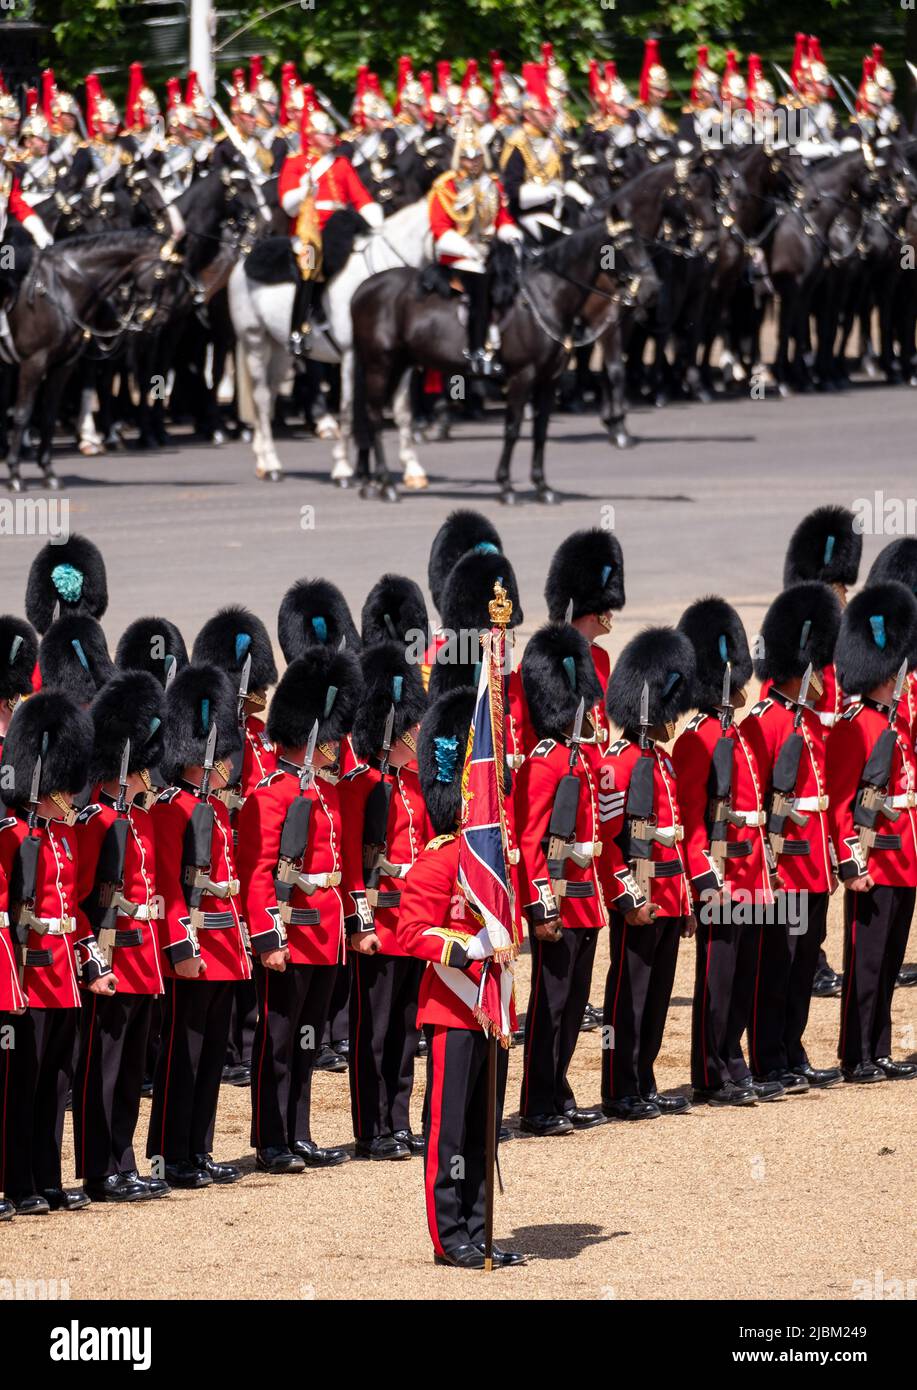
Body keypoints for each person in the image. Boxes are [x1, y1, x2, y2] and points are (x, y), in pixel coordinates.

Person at [396, 686, 525, 1269]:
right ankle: (450, 1237)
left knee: (482, 1129)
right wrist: (467, 947)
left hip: (490, 1005)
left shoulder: (493, 859)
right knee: (448, 1134)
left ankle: (478, 1228)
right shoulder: (438, 859)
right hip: (452, 1008)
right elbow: (410, 934)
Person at [516, 620, 650, 1135]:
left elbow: (602, 845)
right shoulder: (544, 765)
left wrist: (622, 893)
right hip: (559, 906)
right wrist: (543, 907)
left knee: (573, 1007)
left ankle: (560, 1089)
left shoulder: (583, 761)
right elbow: (530, 845)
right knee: (549, 1007)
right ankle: (536, 1103)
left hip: (588, 903)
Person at [236, 646, 363, 1172]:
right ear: (311, 736)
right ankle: (271, 1139)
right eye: (330, 737)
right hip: (292, 934)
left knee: (307, 1042)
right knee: (279, 1040)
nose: (338, 746)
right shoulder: (271, 795)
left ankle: (300, 1132)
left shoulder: (324, 793)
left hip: (324, 932)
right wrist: (268, 938)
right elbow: (259, 873)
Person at [674, 598, 784, 1106]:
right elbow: (692, 820)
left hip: (751, 870)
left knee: (743, 977)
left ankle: (734, 1059)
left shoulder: (735, 736)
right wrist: (703, 879)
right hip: (721, 875)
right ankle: (710, 1070)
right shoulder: (695, 739)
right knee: (717, 979)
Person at [146, 664, 251, 1189]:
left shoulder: (215, 808)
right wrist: (183, 948)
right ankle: (170, 1152)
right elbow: (168, 885)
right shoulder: (172, 810)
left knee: (210, 1055)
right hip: (195, 949)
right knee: (182, 1056)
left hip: (225, 944)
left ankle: (199, 1147)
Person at [0, 692, 103, 1213]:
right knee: (24, 1083)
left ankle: (48, 1176)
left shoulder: (64, 835)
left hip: (63, 973)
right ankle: (18, 1182)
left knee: (57, 1083)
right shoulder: (13, 835)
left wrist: (90, 960)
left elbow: (77, 907)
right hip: (30, 974)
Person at [741, 582, 843, 1092]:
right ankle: (766, 1056)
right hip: (784, 867)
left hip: (814, 865)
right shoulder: (766, 722)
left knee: (804, 962)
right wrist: (770, 869)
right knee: (774, 966)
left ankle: (792, 1048)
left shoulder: (806, 723)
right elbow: (759, 804)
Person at [72, 671, 171, 1202]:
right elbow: (81, 902)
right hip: (112, 962)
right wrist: (94, 963)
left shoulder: (139, 820)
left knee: (132, 1070)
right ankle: (96, 1167)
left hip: (144, 959)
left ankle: (124, 1161)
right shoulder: (93, 822)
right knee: (103, 1072)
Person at [600, 627, 697, 1120]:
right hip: (639, 901)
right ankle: (619, 1086)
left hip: (667, 897)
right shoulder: (616, 764)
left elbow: (672, 835)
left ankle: (644, 1078)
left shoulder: (660, 761)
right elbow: (611, 846)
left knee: (657, 997)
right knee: (628, 997)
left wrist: (683, 900)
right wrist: (630, 897)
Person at [341, 640, 428, 1158]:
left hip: (412, 924)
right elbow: (353, 862)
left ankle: (397, 1120)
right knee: (372, 1034)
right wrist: (362, 923)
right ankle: (369, 1127)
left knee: (405, 1030)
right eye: (410, 728)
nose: (418, 735)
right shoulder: (359, 787)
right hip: (379, 925)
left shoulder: (414, 787)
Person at [826, 582, 917, 1082]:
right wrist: (853, 863)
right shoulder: (853, 726)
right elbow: (842, 802)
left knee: (889, 963)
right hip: (876, 861)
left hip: (905, 857)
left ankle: (878, 1048)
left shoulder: (894, 724)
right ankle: (856, 1053)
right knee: (865, 962)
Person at [278, 105, 383, 356]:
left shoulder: (342, 164)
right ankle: (299, 325)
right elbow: (288, 205)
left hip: (341, 229)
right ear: (311, 135)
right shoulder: (296, 163)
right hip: (309, 230)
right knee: (310, 263)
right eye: (324, 134)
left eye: (330, 133)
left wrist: (377, 222)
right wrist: (304, 188)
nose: (330, 138)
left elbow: (361, 198)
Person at [429, 116, 522, 377]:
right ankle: (476, 349)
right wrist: (465, 249)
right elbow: (439, 227)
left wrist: (511, 233)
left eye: (477, 156)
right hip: (459, 254)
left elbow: (503, 218)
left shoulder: (492, 184)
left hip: (489, 251)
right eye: (468, 157)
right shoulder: (445, 186)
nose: (473, 162)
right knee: (480, 286)